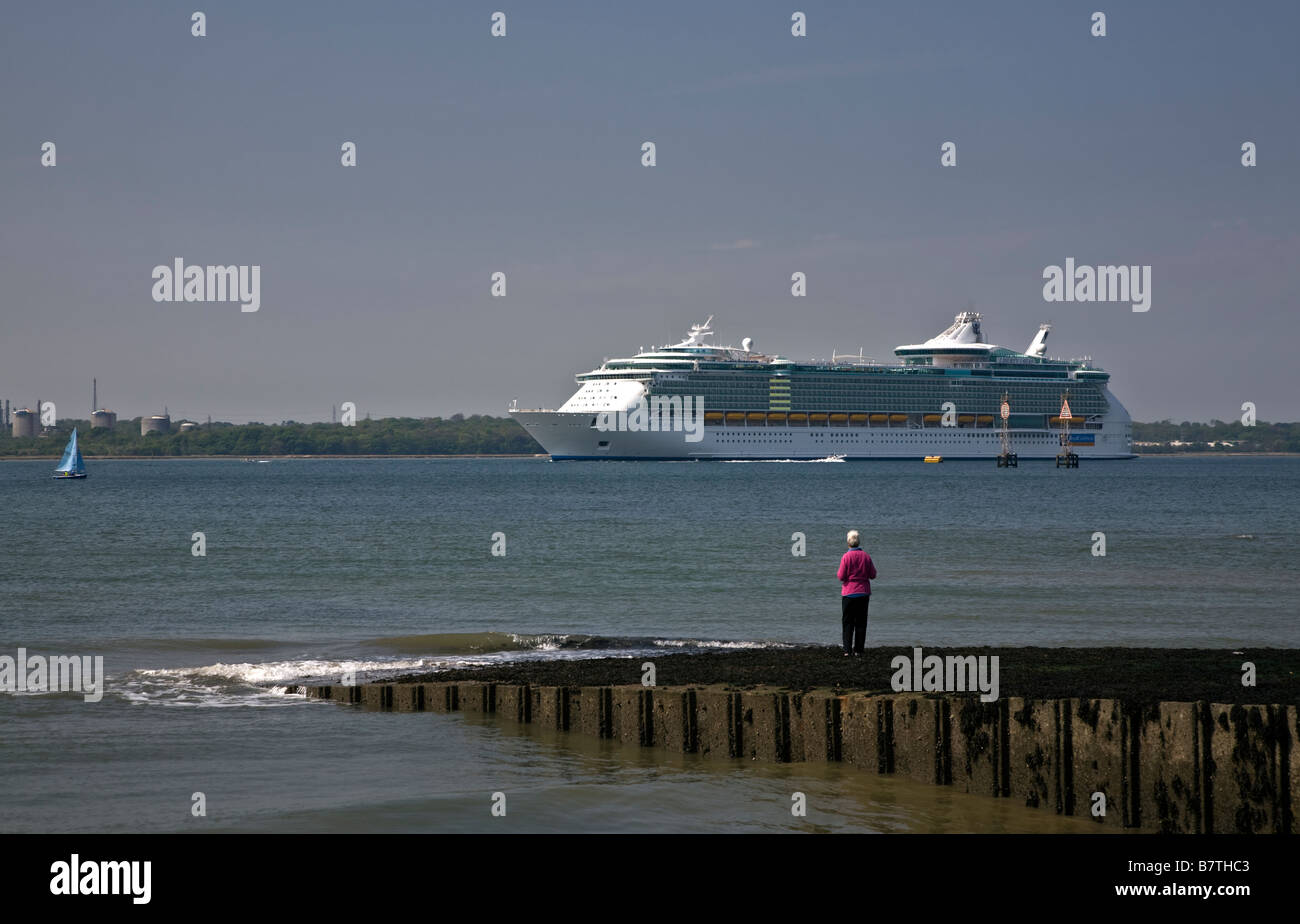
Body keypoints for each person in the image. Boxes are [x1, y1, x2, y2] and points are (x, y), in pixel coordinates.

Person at [837, 530, 877, 656]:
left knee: (848, 622)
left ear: (848, 542)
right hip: (863, 593)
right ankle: (859, 650)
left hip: (849, 593)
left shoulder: (846, 557)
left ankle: (847, 650)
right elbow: (873, 575)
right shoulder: (866, 556)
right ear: (858, 541)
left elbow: (841, 576)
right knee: (861, 622)